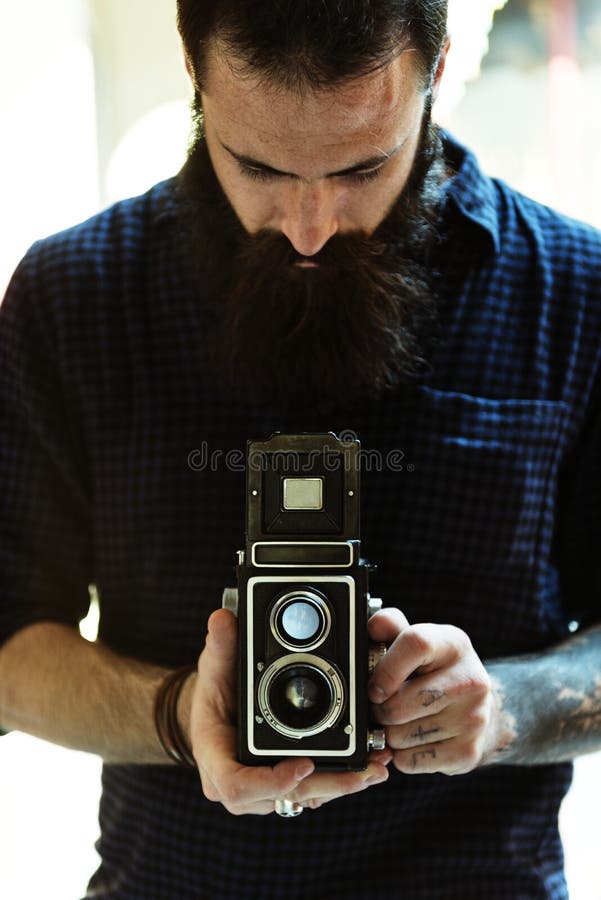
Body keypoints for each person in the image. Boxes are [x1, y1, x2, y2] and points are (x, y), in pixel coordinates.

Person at [1, 1, 600, 897]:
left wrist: (506, 708)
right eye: (258, 167)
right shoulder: (71, 296)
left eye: (363, 165)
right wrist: (175, 714)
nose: (310, 224)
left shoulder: (576, 296)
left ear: (434, 74)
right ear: (197, 76)